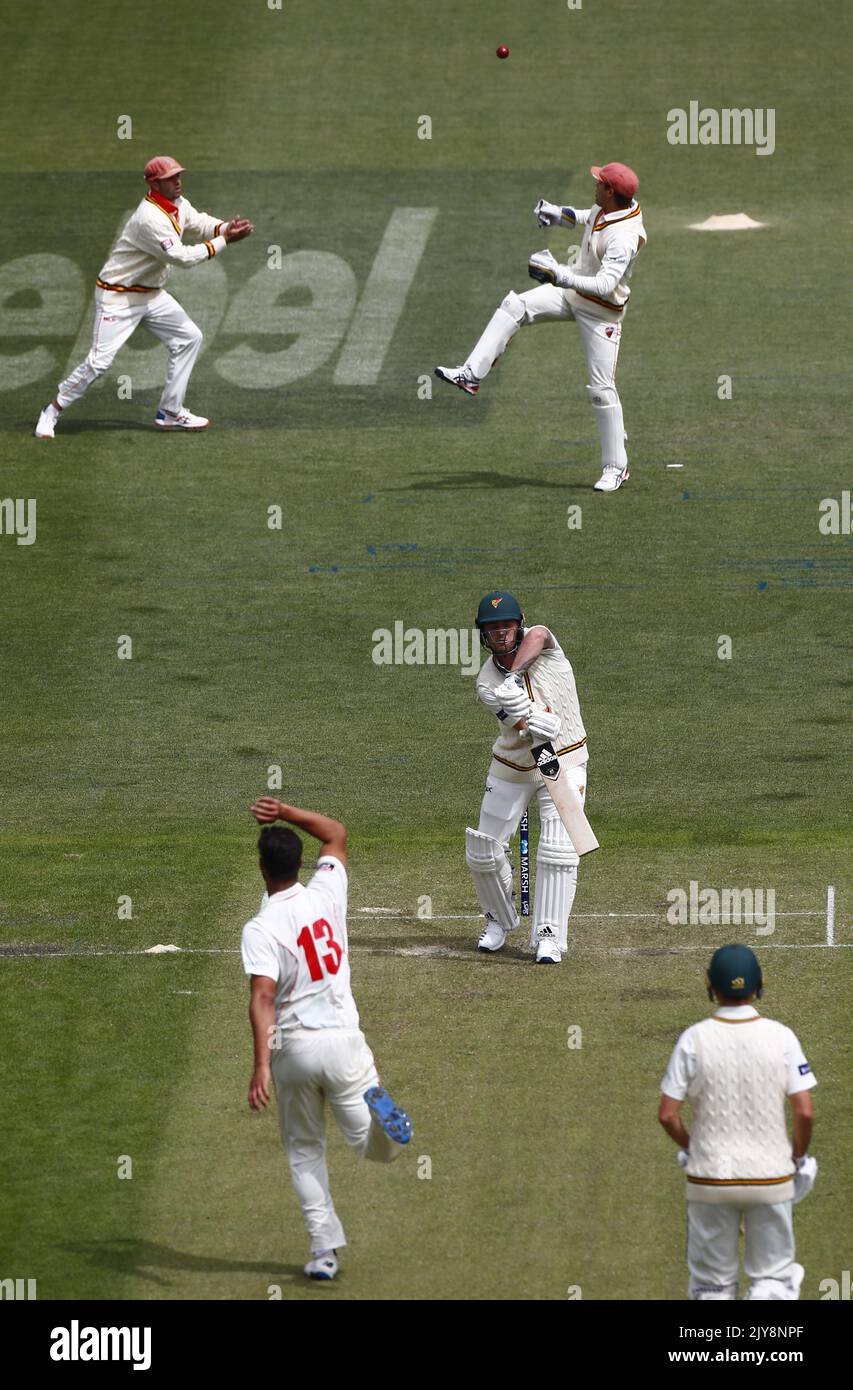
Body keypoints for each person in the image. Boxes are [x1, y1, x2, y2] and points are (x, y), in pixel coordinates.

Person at [241, 795, 412, 1282]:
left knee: (304, 1151)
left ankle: (324, 1253)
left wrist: (260, 1066)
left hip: (293, 1053)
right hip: (344, 1043)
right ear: (301, 862)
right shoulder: (326, 894)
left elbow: (263, 998)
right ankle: (384, 1122)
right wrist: (285, 812)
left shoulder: (260, 927)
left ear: (261, 868)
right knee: (375, 1149)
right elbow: (335, 832)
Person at [435, 162, 646, 492]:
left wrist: (558, 275)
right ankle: (471, 375)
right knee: (515, 305)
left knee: (601, 390)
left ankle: (616, 468)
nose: (594, 186)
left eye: (599, 183)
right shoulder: (613, 206)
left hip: (602, 313)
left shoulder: (624, 238)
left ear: (610, 192)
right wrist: (557, 215)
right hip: (572, 294)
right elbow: (587, 217)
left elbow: (605, 286)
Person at [33, 156, 254, 438]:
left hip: (150, 294)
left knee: (189, 338)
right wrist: (226, 241)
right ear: (153, 183)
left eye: (178, 175)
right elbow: (182, 257)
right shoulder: (149, 218)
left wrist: (225, 228)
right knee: (100, 363)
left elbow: (198, 222)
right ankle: (52, 411)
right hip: (118, 296)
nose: (177, 181)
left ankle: (170, 412)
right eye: (170, 178)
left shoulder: (179, 203)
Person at [659, 944, 818, 1300]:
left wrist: (692, 1147)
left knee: (711, 1288)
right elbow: (804, 1111)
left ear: (711, 987)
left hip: (710, 1178)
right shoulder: (782, 1037)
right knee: (773, 1284)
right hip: (771, 1177)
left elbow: (667, 1115)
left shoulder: (693, 1039)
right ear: (757, 987)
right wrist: (797, 1158)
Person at [466, 590, 589, 964]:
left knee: (558, 850)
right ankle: (500, 921)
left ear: (518, 625)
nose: (500, 633)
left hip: (563, 761)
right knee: (483, 850)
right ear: (483, 635)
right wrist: (531, 718)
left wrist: (515, 679)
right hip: (513, 765)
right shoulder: (486, 682)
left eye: (506, 625)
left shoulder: (543, 643)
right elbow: (521, 725)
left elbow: (539, 634)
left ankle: (549, 936)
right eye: (492, 628)